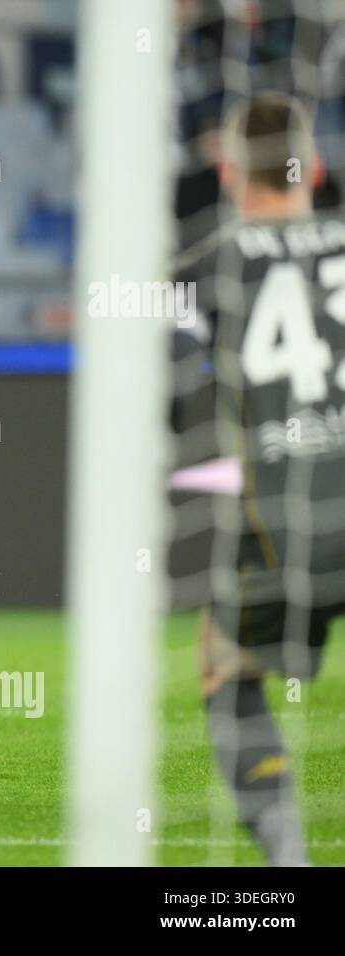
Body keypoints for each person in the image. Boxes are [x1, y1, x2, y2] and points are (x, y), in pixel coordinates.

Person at [175, 91, 345, 865]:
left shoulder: (209, 264)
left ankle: (288, 861)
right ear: (314, 166)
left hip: (286, 515)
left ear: (227, 170)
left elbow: (178, 405)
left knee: (225, 662)